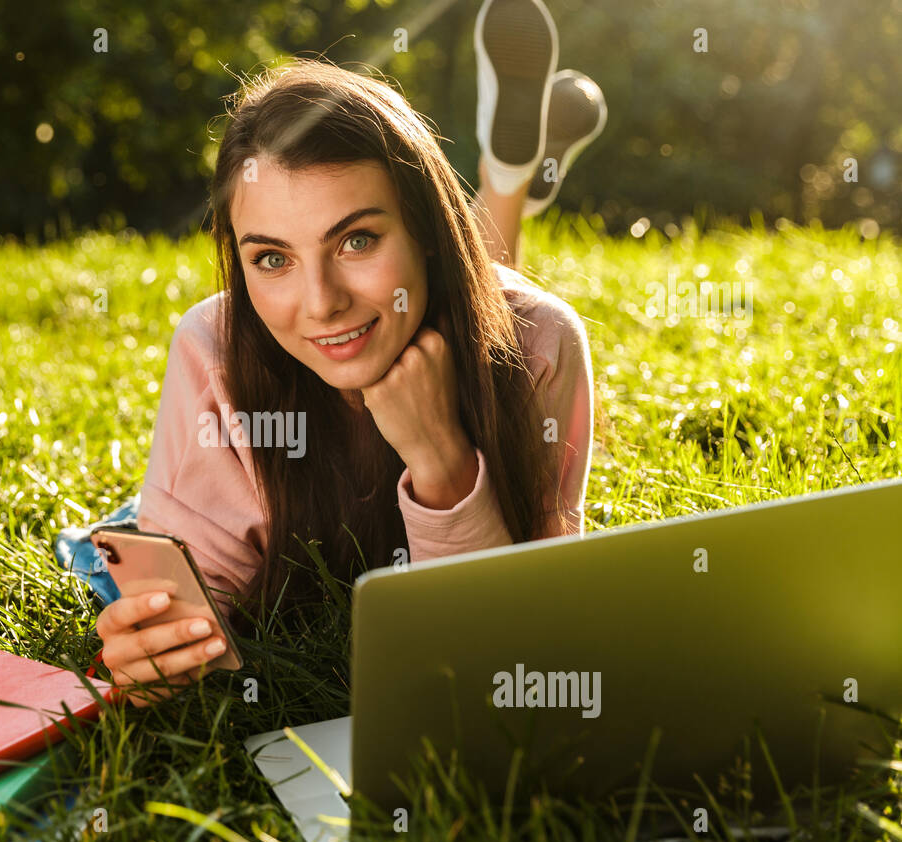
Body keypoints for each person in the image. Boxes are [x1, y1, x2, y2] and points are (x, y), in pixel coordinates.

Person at [96, 0, 605, 707]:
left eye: (357, 240)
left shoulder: (544, 344)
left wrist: (444, 466)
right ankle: (510, 178)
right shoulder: (215, 347)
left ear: (425, 225)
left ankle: (507, 180)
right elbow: (194, 621)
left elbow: (517, 648)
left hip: (482, 307)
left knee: (488, 309)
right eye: (272, 258)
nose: (320, 302)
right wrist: (161, 651)